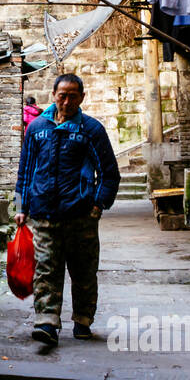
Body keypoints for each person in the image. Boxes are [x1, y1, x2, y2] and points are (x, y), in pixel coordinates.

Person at [13, 73, 120, 346]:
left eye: (73, 95)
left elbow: (109, 174)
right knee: (46, 270)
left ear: (82, 98)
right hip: (43, 213)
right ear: (53, 96)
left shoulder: (91, 130)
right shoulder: (36, 128)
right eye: (62, 95)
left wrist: (98, 205)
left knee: (83, 272)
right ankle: (47, 322)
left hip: (81, 215)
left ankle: (83, 320)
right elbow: (24, 172)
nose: (67, 100)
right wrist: (20, 207)